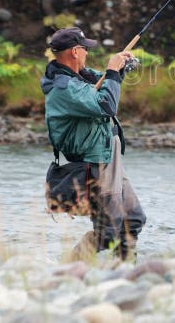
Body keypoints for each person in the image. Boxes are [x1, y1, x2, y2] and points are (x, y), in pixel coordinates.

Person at [40, 27, 146, 260]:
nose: (88, 52)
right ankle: (69, 268)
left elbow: (106, 81)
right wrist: (112, 71)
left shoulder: (79, 76)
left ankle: (126, 271)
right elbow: (107, 105)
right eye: (85, 48)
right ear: (75, 52)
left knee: (133, 218)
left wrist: (120, 69)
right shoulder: (64, 88)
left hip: (109, 157)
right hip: (95, 164)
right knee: (108, 233)